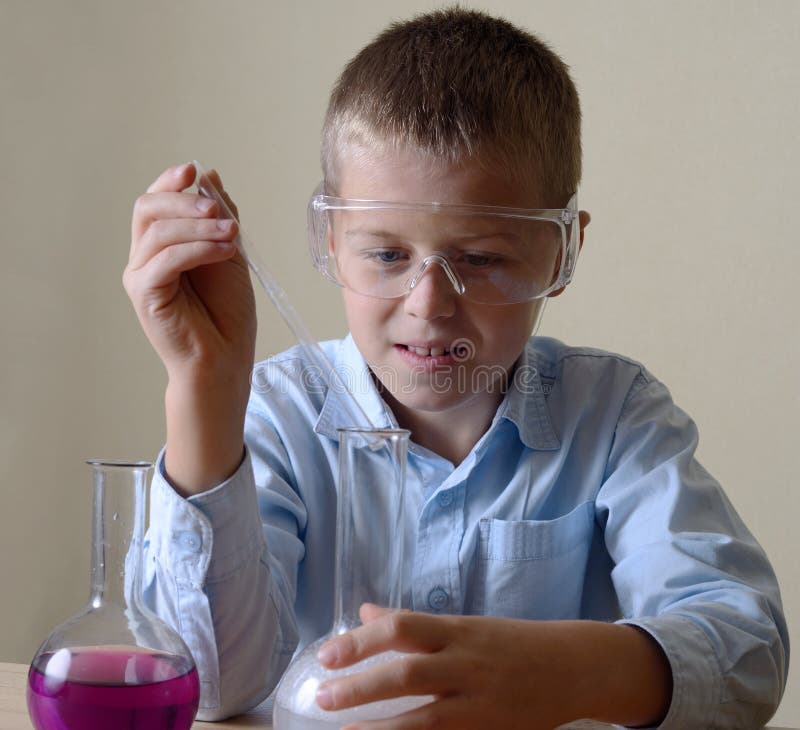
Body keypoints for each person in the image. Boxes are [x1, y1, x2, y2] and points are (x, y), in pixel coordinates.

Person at [124, 7, 788, 729]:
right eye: (385, 254)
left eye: (482, 258)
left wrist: (558, 673)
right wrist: (204, 387)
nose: (429, 304)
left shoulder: (614, 417)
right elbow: (212, 687)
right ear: (332, 241)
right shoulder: (278, 414)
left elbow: (747, 654)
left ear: (562, 254)